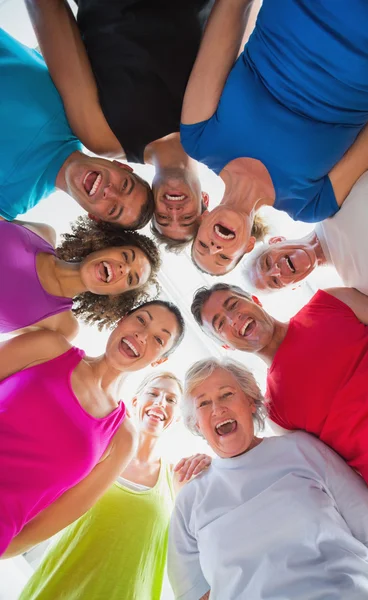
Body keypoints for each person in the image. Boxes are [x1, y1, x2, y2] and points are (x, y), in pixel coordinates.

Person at [181, 0, 368, 274]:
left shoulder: (198, 139)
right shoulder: (310, 205)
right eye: (224, 258)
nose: (215, 247)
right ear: (248, 246)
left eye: (203, 245)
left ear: (203, 218)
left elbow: (230, 10)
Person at [168, 358, 368, 600]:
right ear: (196, 423)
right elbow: (195, 593)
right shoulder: (189, 500)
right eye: (203, 403)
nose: (217, 409)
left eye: (226, 394)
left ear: (250, 401)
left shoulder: (302, 449)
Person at [190, 282, 368, 525]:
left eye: (234, 304)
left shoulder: (330, 302)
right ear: (224, 344)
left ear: (255, 300)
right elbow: (337, 475)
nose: (233, 319)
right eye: (220, 324)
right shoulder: (275, 411)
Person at [0, 299, 185, 558]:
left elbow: (45, 525)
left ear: (158, 360)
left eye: (158, 340)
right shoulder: (48, 347)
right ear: (122, 319)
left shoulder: (122, 439)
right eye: (141, 320)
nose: (142, 336)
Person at [24, 0, 213, 250]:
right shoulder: (215, 124)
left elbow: (50, 16)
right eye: (187, 216)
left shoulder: (103, 138)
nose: (174, 210)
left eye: (163, 217)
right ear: (204, 199)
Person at [19, 371, 211, 600]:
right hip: (57, 591)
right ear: (134, 402)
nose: (160, 403)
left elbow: (198, 551)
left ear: (177, 418)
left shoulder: (178, 480)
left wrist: (210, 468)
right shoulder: (96, 455)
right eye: (153, 393)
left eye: (171, 400)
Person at [0, 28, 153, 229]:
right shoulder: (79, 107)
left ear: (94, 217)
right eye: (124, 185)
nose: (110, 192)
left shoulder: (10, 203)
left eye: (113, 209)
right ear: (122, 166)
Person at [247, 154, 368, 308]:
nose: (276, 271)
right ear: (294, 287)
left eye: (266, 263)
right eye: (275, 282)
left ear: (277, 240)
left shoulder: (326, 197)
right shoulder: (366, 291)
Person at [0, 217, 160, 339]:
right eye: (125, 256)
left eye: (131, 279)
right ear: (107, 245)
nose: (123, 268)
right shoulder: (42, 233)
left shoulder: (63, 327)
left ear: (117, 295)